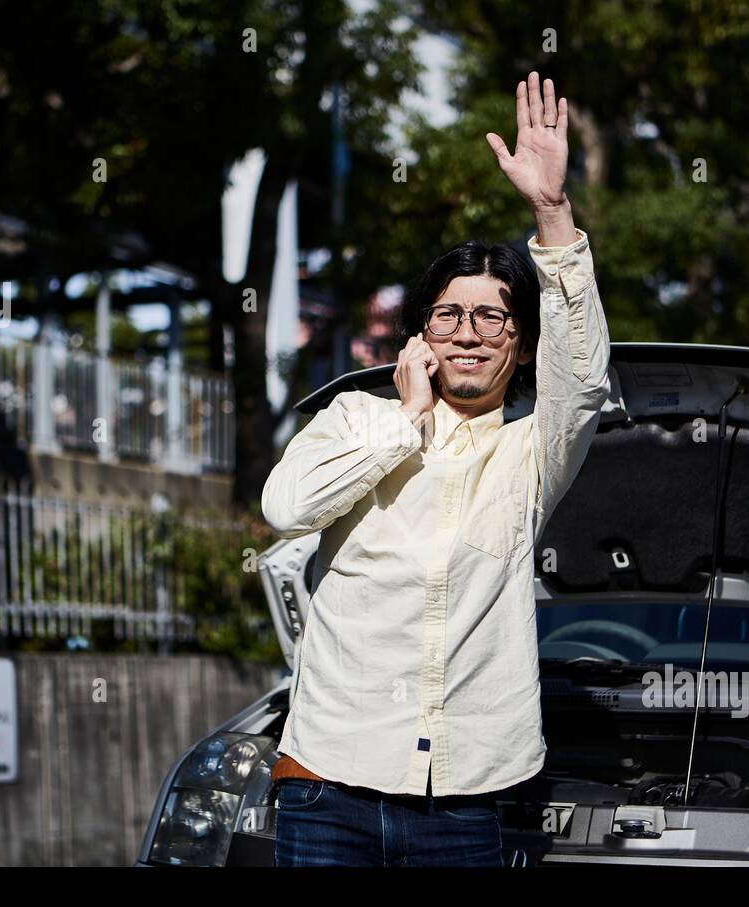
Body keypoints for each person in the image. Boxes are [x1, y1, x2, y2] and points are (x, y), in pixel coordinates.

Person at [260, 71, 611, 866]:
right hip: (327, 785)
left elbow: (584, 378)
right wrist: (406, 421)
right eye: (449, 312)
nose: (469, 331)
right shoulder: (357, 419)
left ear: (518, 341)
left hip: (464, 801)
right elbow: (287, 507)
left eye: (493, 315)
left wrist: (551, 213)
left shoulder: (530, 454)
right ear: (421, 332)